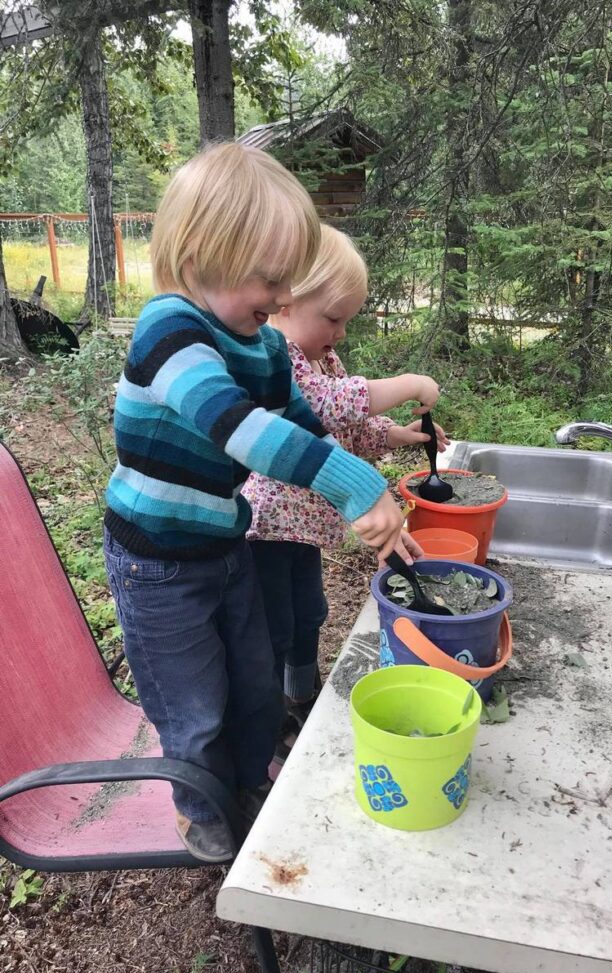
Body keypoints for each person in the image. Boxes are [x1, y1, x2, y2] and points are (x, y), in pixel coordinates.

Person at [102, 144, 424, 863]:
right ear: (199, 252)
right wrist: (351, 485)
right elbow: (235, 426)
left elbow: (298, 425)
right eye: (270, 279)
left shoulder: (262, 345)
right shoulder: (170, 331)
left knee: (253, 683)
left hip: (223, 545)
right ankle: (198, 805)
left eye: (287, 284)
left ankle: (248, 782)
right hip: (155, 565)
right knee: (194, 703)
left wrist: (355, 479)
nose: (282, 300)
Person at [246, 225, 447, 762]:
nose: (339, 331)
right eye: (332, 317)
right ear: (286, 304)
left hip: (305, 526)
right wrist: (405, 383)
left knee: (310, 612)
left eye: (347, 320)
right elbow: (327, 406)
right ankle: (264, 726)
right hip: (267, 527)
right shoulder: (277, 356)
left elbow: (344, 426)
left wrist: (397, 434)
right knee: (275, 626)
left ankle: (299, 698)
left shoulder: (322, 359)